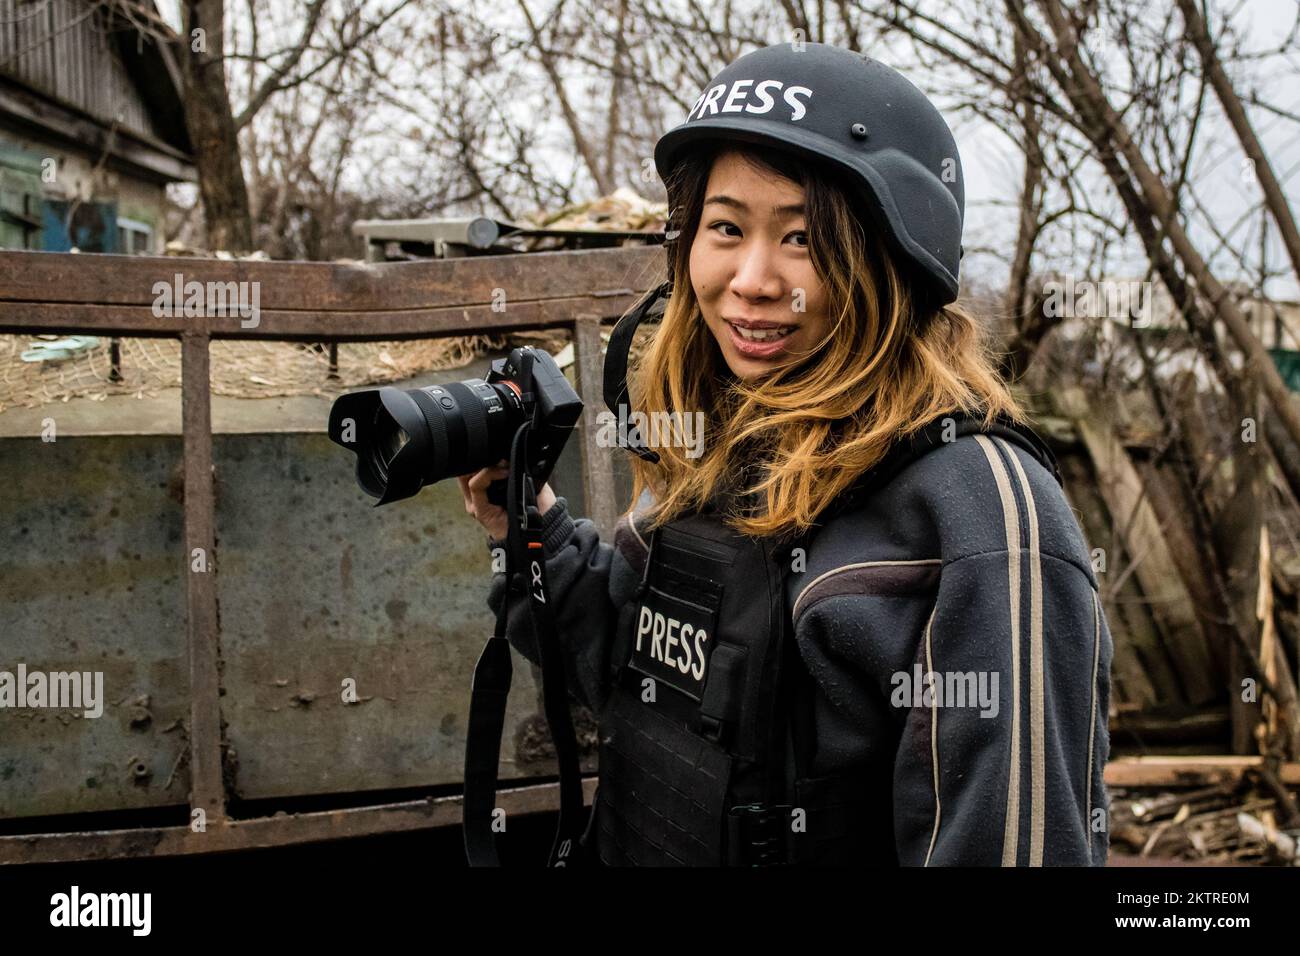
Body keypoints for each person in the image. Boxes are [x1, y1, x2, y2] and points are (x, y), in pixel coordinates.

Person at [459, 42, 1112, 866]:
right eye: (725, 227)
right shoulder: (723, 448)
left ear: (891, 260)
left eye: (802, 238)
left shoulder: (984, 514)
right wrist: (531, 529)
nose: (753, 278)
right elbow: (641, 690)